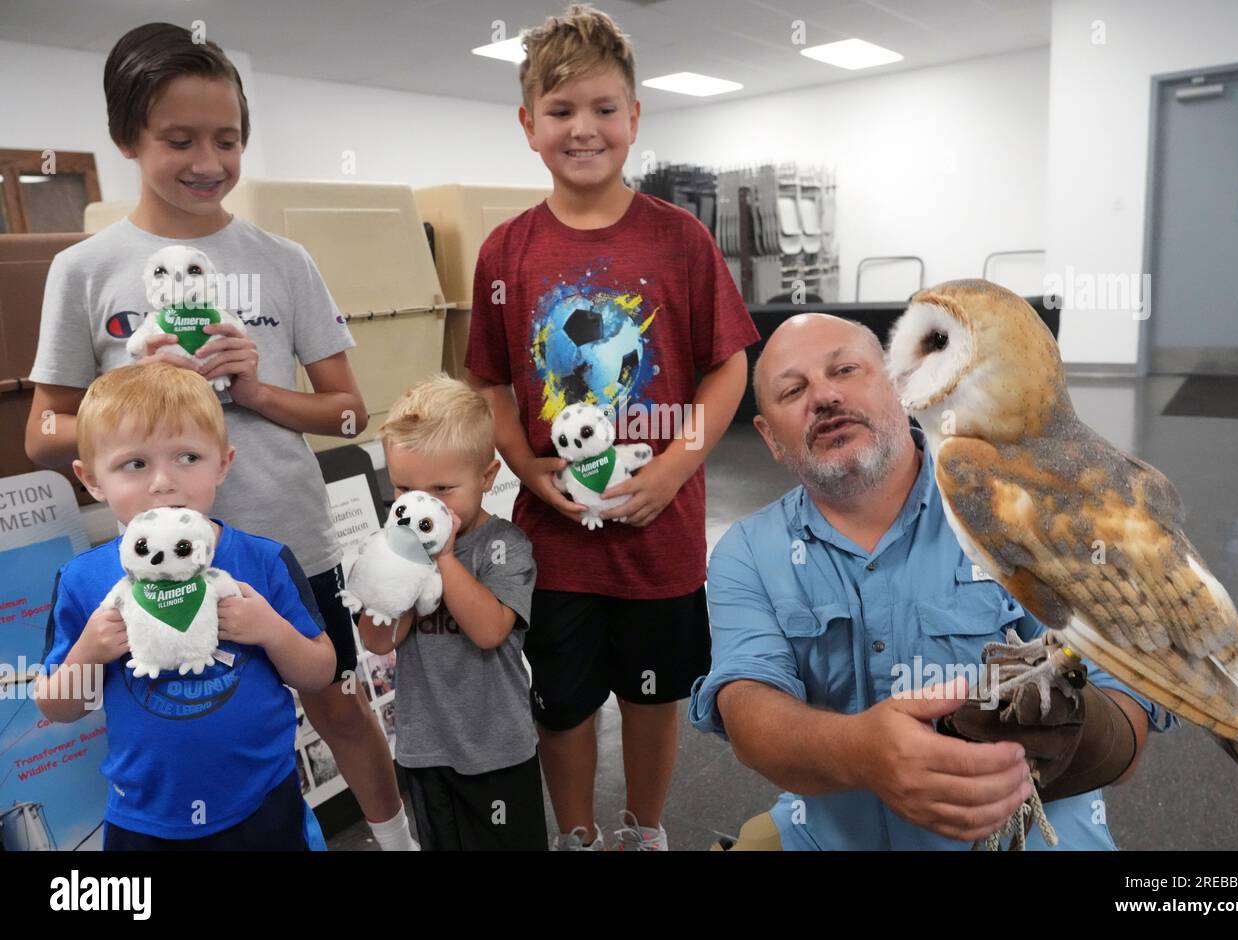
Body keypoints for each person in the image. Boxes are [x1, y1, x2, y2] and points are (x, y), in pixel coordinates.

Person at [22, 22, 417, 850]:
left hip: (286, 538)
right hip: (156, 564)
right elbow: (42, 434)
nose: (209, 161)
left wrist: (257, 390)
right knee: (178, 711)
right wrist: (132, 394)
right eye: (179, 139)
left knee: (335, 702)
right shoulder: (85, 270)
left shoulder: (284, 260)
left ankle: (394, 840)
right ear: (127, 137)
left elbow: (351, 413)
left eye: (228, 139)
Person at [691, 313, 1176, 850]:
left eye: (846, 370)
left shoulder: (1024, 513)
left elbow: (1127, 703)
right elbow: (748, 710)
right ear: (770, 438)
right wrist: (861, 752)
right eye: (793, 390)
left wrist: (1070, 732)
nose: (825, 397)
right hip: (831, 833)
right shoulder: (748, 553)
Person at [464, 4, 759, 850]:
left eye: (602, 109)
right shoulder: (504, 253)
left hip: (660, 535)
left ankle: (645, 830)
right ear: (528, 126)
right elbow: (487, 377)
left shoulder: (681, 241)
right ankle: (580, 836)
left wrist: (672, 470)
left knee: (652, 695)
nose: (582, 129)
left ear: (635, 118)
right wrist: (525, 467)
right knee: (561, 701)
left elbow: (727, 364)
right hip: (554, 539)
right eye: (560, 112)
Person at [35, 362, 336, 849]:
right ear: (91, 479)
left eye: (188, 457)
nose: (163, 483)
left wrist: (270, 630)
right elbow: (57, 706)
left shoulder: (264, 560)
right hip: (145, 816)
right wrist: (88, 651)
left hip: (264, 804)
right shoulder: (84, 580)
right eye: (135, 464)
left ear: (223, 462)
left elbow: (321, 672)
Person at [354, 377, 546, 850]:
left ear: (487, 478)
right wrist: (394, 570)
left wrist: (442, 557)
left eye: (441, 489)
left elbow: (488, 630)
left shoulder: (505, 546)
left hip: (497, 748)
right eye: (404, 488)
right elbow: (378, 641)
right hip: (426, 746)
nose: (421, 505)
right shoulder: (396, 547)